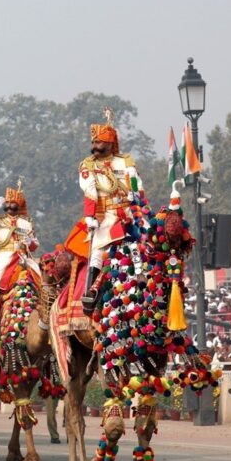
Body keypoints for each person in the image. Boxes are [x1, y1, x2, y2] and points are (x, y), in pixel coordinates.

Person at [64, 110, 144, 312]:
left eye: (99, 142)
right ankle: (90, 293)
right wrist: (90, 216)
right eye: (93, 142)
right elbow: (90, 191)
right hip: (105, 216)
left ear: (110, 143)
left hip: (129, 213)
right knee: (98, 250)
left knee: (150, 242)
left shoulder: (125, 162)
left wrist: (138, 196)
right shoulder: (88, 165)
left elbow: (137, 185)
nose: (94, 147)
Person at [0, 184, 40, 330]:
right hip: (5, 255)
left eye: (13, 204)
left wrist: (30, 243)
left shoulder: (26, 223)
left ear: (19, 205)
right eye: (7, 204)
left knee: (41, 279)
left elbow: (35, 245)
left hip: (24, 257)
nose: (9, 207)